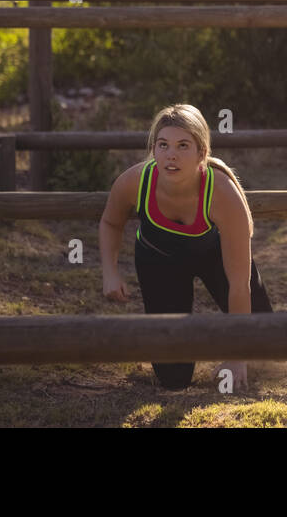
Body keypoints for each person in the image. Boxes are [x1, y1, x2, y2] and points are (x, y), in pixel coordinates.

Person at [99, 103, 273, 390]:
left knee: (267, 340)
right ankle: (173, 336)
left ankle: (230, 337)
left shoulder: (222, 193)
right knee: (173, 379)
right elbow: (110, 223)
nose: (172, 155)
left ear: (201, 153)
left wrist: (237, 354)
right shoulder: (134, 181)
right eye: (163, 145)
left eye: (183, 145)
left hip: (212, 256)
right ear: (153, 150)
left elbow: (239, 284)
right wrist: (109, 271)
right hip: (159, 261)